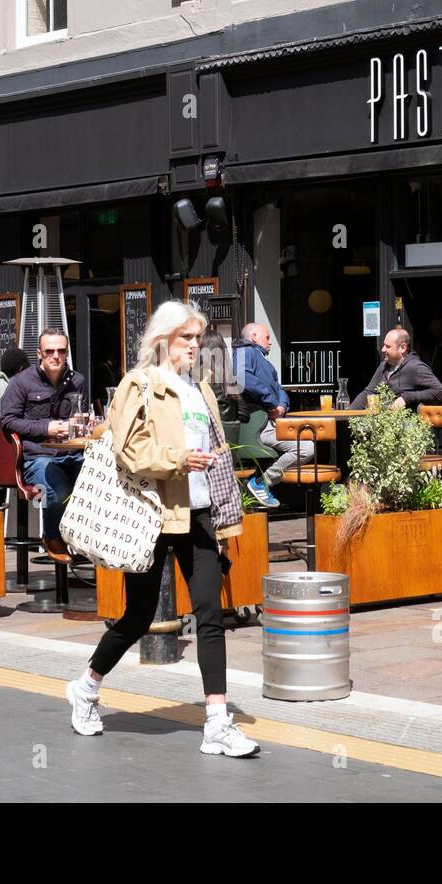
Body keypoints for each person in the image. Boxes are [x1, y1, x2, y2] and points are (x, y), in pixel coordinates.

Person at [65, 301, 258, 758]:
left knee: (210, 613)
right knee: (138, 616)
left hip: (199, 512)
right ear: (163, 340)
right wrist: (178, 461)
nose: (196, 345)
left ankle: (216, 722)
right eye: (186, 338)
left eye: (198, 338)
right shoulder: (140, 386)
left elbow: (213, 450)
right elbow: (129, 452)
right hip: (154, 514)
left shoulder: (201, 390)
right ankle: (87, 687)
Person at [0, 329, 87, 563]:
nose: (55, 356)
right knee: (58, 492)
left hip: (72, 454)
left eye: (61, 350)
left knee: (103, 483)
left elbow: (82, 418)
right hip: (36, 457)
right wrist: (46, 428)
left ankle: (89, 541)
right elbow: (7, 421)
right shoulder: (21, 383)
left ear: (67, 352)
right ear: (39, 353)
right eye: (49, 351)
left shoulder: (77, 381)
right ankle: (52, 536)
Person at [232, 322, 312, 509]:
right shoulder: (244, 351)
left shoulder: (263, 361)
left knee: (308, 445)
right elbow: (241, 378)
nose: (270, 342)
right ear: (253, 337)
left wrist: (281, 406)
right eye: (267, 337)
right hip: (258, 427)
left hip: (272, 422)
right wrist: (271, 402)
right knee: (306, 448)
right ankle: (261, 483)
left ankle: (261, 482)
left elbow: (279, 389)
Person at [351, 328, 442, 410]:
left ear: (402, 348)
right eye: (384, 345)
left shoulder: (415, 368)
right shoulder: (383, 366)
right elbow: (369, 393)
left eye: (388, 346)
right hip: (383, 425)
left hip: (406, 427)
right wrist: (348, 414)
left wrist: (406, 397)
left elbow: (440, 393)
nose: (383, 349)